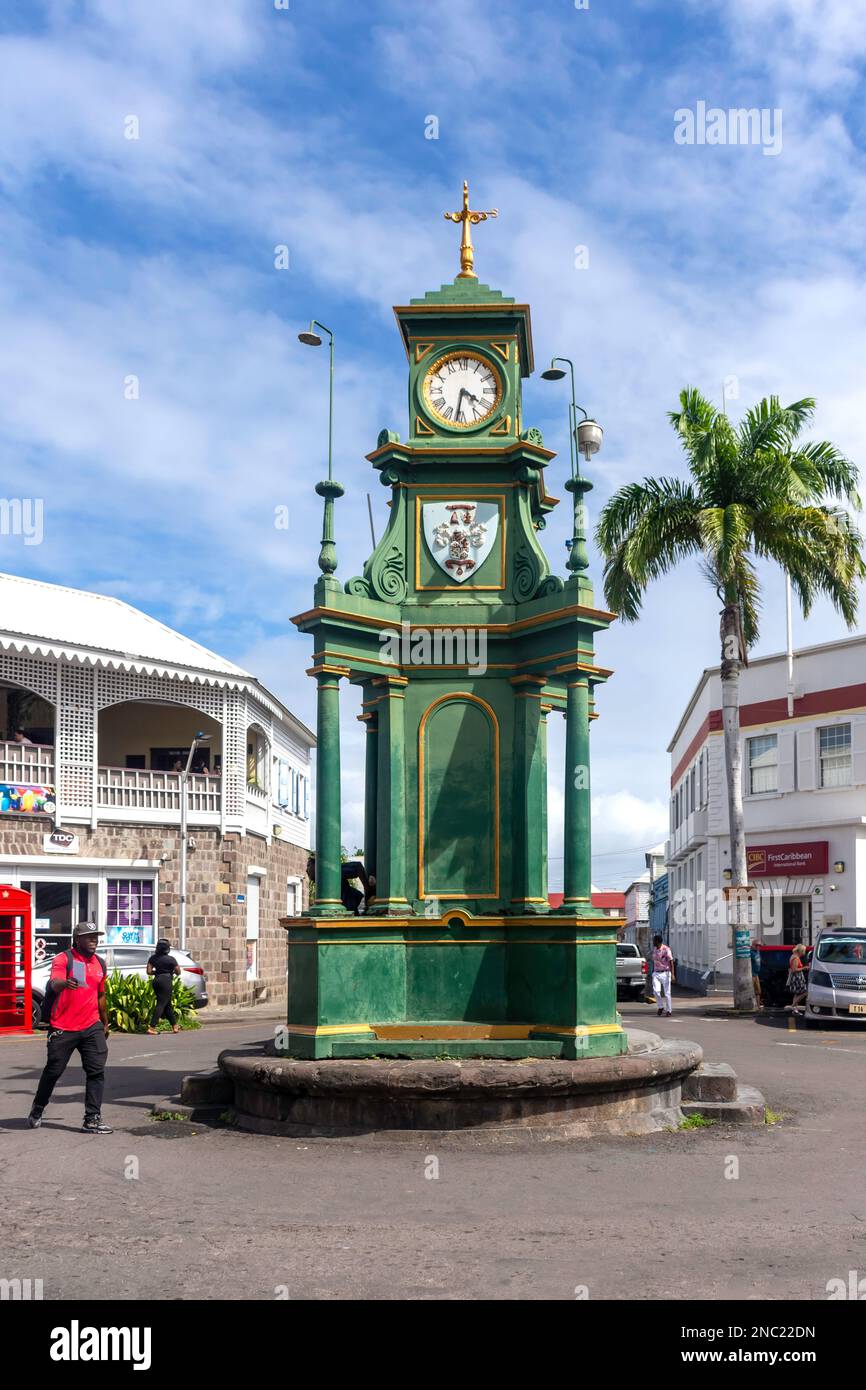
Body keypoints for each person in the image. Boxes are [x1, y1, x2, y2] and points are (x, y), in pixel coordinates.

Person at [29, 921, 112, 1134]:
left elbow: (100, 995)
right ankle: (38, 1107)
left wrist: (105, 1022)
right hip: (63, 1026)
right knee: (54, 1071)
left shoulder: (99, 963)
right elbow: (55, 982)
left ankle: (92, 1118)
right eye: (89, 936)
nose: (94, 940)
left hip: (91, 1025)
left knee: (96, 1071)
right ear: (77, 939)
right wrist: (65, 983)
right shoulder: (63, 959)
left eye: (96, 936)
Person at [306, 854, 376, 915]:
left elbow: (358, 867)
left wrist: (368, 891)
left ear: (317, 865)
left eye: (309, 865)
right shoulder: (321, 884)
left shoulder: (332, 873)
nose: (306, 870)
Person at [146, 939, 181, 1034]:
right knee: (161, 1004)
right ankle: (152, 1027)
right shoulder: (171, 959)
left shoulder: (152, 958)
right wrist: (169, 972)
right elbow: (178, 972)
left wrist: (158, 972)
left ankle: (174, 1026)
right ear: (167, 949)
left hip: (156, 981)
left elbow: (149, 972)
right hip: (166, 981)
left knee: (167, 1005)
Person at [651, 933, 675, 1017]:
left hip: (665, 973)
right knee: (656, 991)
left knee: (667, 993)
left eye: (654, 940)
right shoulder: (654, 949)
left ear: (658, 941)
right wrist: (653, 971)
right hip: (656, 973)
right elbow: (654, 961)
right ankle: (660, 1006)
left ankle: (669, 1010)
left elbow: (671, 961)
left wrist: (672, 974)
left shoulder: (666, 949)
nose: (653, 942)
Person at [786, 943, 808, 1011]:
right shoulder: (796, 958)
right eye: (803, 951)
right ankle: (793, 1006)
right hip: (797, 977)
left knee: (797, 993)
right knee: (805, 992)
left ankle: (794, 1008)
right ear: (801, 951)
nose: (804, 953)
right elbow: (794, 969)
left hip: (796, 977)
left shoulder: (793, 956)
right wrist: (804, 968)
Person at [751, 938, 763, 1006]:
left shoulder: (758, 952)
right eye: (756, 945)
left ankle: (758, 1005)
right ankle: (753, 1004)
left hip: (756, 974)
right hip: (752, 974)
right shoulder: (750, 952)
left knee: (758, 991)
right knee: (751, 990)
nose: (758, 947)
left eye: (759, 946)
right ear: (753, 945)